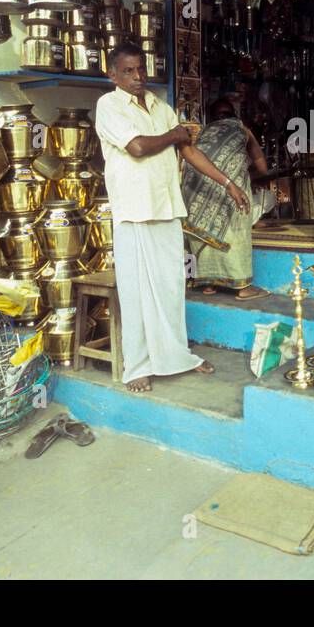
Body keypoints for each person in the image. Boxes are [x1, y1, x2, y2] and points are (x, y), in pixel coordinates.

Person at [95, 43, 251, 394]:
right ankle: (137, 365)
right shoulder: (108, 105)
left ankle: (177, 356)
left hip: (166, 207)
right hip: (133, 211)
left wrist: (228, 183)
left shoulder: (159, 106)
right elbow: (136, 147)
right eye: (128, 71)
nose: (137, 77)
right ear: (113, 75)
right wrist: (174, 135)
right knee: (136, 291)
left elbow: (189, 150)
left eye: (140, 70)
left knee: (170, 287)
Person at [181, 98, 272, 301]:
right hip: (230, 190)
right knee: (236, 230)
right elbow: (263, 167)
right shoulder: (242, 130)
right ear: (235, 116)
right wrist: (243, 174)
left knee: (205, 234)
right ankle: (243, 287)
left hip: (194, 193)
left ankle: (209, 284)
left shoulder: (203, 133)